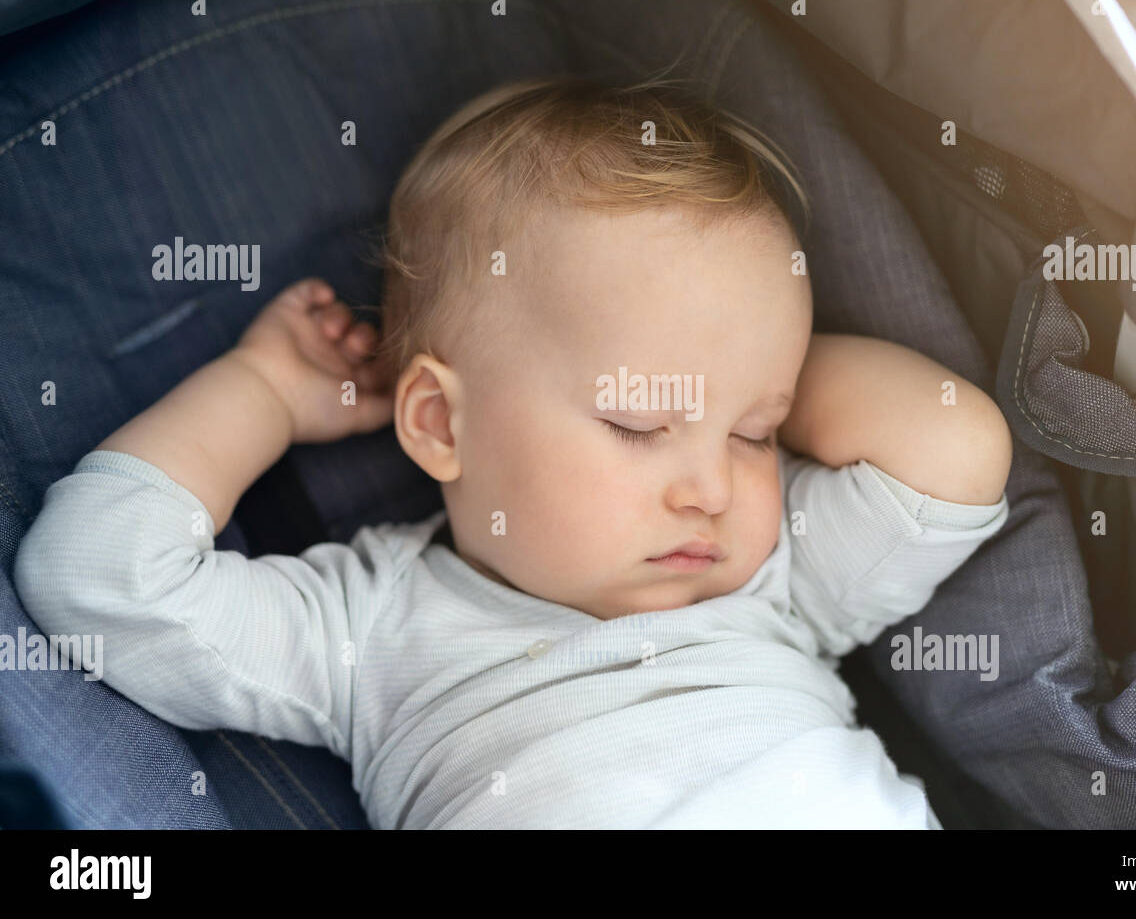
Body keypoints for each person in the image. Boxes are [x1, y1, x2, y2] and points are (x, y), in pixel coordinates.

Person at [14, 77, 1011, 828]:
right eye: (637, 423)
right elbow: (101, 578)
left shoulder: (772, 581)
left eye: (756, 434)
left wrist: (756, 366)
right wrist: (262, 394)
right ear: (443, 424)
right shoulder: (369, 633)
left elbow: (954, 445)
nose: (711, 486)